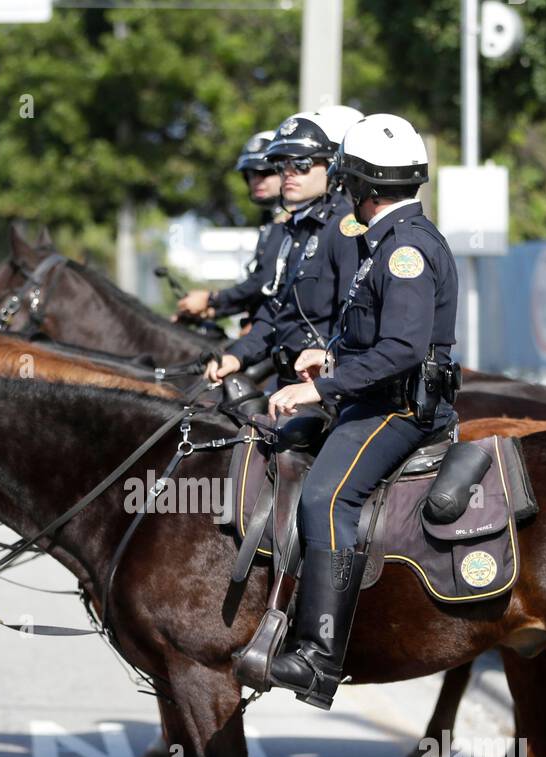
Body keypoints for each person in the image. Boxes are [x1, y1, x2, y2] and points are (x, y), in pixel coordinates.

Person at [262, 113, 461, 710]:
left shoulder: (404, 251)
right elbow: (380, 336)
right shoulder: (388, 243)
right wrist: (329, 359)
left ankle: (319, 656)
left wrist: (320, 390)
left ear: (357, 184)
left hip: (400, 409)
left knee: (327, 497)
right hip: (374, 395)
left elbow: (402, 350)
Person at [203, 105, 364, 389]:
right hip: (288, 376)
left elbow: (352, 326)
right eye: (282, 165)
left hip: (326, 384)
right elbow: (274, 313)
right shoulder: (294, 231)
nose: (288, 173)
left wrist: (321, 384)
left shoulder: (345, 230)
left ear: (333, 166)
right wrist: (235, 356)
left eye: (301, 165)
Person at [173, 131, 285, 328]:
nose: (256, 180)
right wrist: (212, 311)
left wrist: (211, 299)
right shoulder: (270, 219)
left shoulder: (290, 220)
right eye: (250, 174)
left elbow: (264, 283)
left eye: (266, 172)